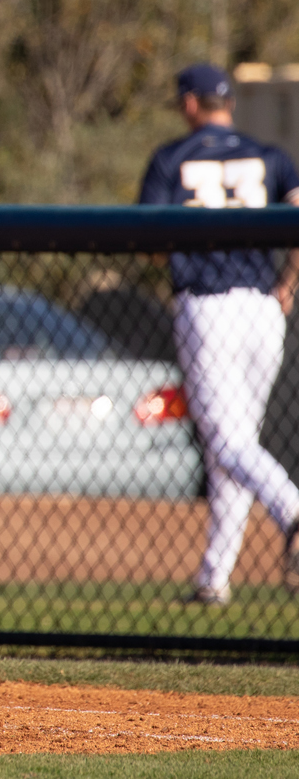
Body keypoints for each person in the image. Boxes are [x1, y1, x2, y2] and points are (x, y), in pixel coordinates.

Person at [138, 63, 299, 604]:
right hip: (263, 310)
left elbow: (151, 242)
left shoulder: (172, 159)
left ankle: (293, 510)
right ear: (227, 103)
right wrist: (289, 281)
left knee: (226, 442)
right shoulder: (270, 157)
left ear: (190, 103)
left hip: (208, 308)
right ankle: (213, 579)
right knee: (236, 446)